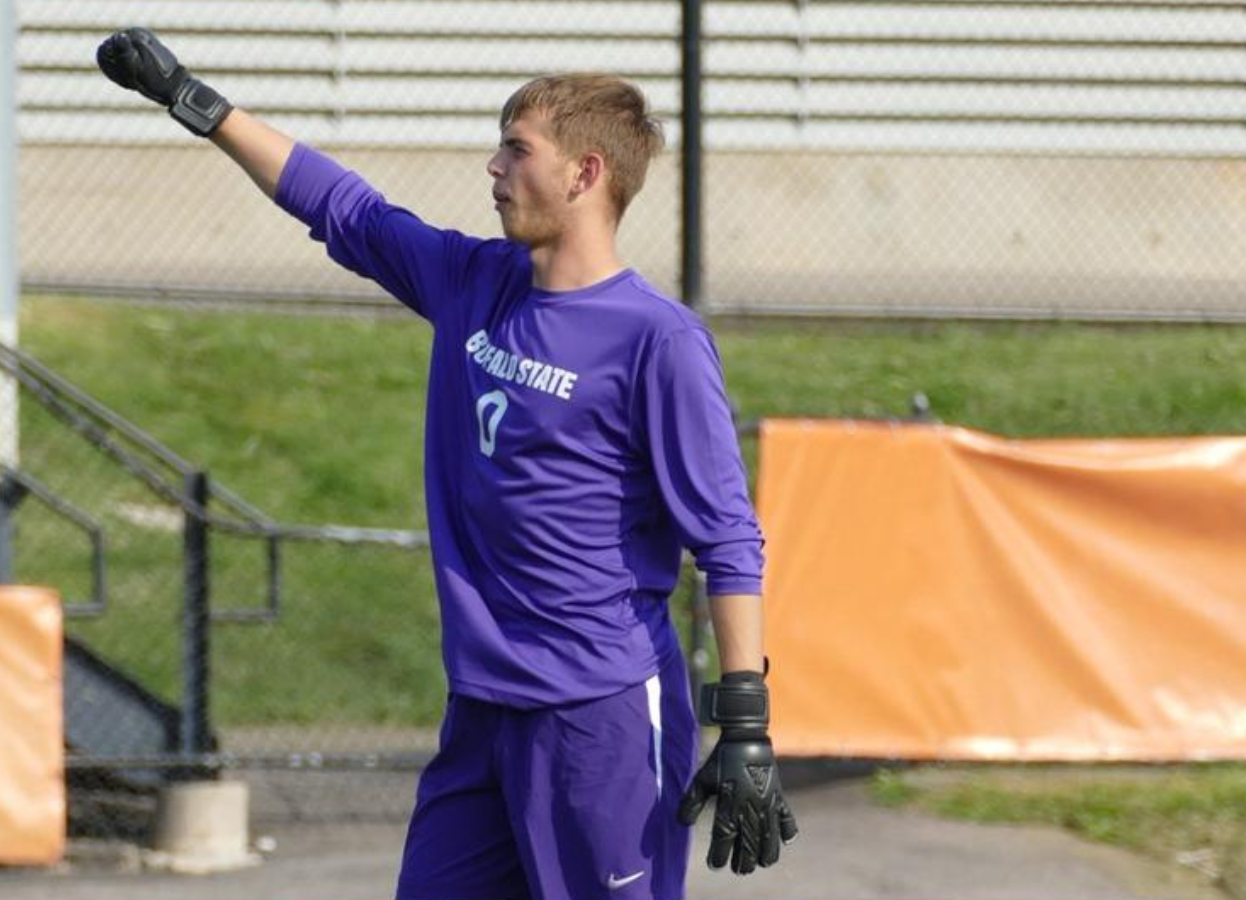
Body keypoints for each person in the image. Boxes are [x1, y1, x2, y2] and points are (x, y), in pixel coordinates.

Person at [98, 28, 796, 900]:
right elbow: (344, 206)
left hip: (600, 716)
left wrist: (746, 724)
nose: (494, 167)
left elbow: (728, 539)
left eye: (517, 149)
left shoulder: (658, 340)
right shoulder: (476, 281)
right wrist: (195, 102)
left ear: (585, 174)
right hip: (483, 710)